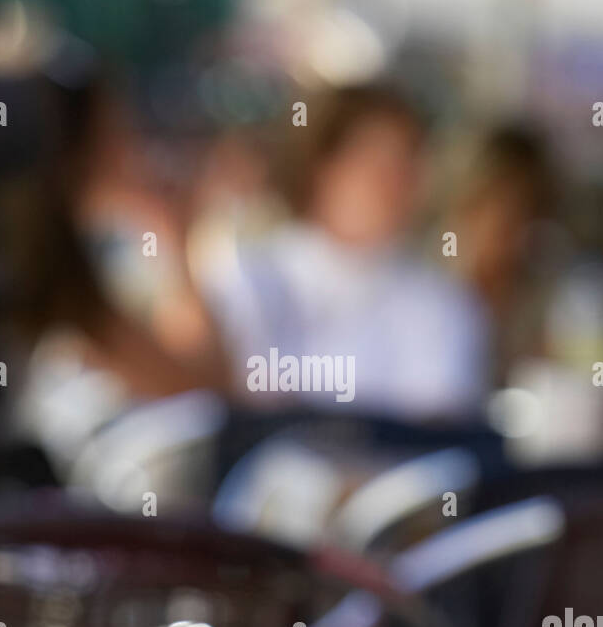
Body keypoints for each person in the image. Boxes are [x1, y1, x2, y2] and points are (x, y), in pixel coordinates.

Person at [202, 83, 491, 421]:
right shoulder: (247, 279)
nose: (395, 183)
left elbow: (442, 429)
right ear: (320, 167)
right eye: (373, 159)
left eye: (406, 161)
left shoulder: (444, 303)